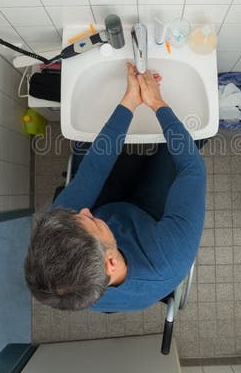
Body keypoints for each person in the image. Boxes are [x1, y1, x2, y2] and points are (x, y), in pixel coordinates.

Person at [24, 63, 206, 312]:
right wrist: (157, 104)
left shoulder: (63, 234)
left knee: (86, 145)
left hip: (112, 208)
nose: (84, 211)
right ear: (110, 263)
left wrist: (129, 102)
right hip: (152, 221)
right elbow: (191, 169)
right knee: (187, 138)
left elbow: (93, 169)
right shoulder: (169, 255)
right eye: (89, 220)